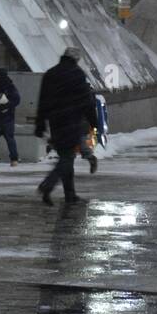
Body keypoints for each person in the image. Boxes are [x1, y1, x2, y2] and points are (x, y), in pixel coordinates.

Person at [34, 47, 98, 205]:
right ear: (76, 59)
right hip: (72, 121)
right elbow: (87, 101)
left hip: (55, 122)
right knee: (67, 158)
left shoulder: (50, 73)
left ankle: (70, 195)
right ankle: (47, 185)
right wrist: (94, 122)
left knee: (66, 157)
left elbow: (43, 101)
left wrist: (40, 123)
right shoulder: (77, 74)